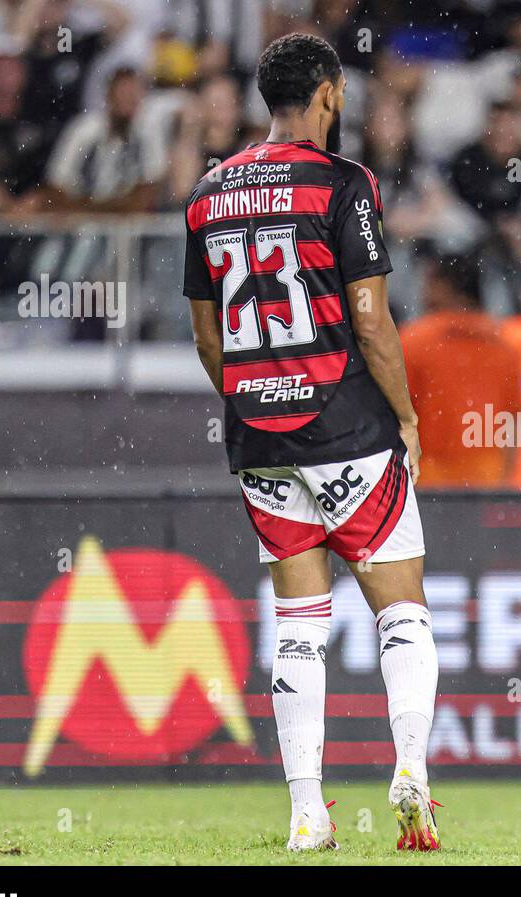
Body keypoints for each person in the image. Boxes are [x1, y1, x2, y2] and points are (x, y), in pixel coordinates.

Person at [182, 33, 440, 853]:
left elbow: (209, 338)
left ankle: (305, 813)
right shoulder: (344, 183)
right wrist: (403, 417)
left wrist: (257, 398)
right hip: (348, 427)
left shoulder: (208, 192)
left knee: (298, 625)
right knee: (401, 614)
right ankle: (411, 772)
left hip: (259, 434)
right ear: (329, 92)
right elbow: (371, 320)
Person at [399, 252, 521, 489]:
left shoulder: (414, 339)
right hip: (488, 478)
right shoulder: (504, 344)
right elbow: (512, 423)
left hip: (428, 479)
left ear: (443, 286)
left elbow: (397, 414)